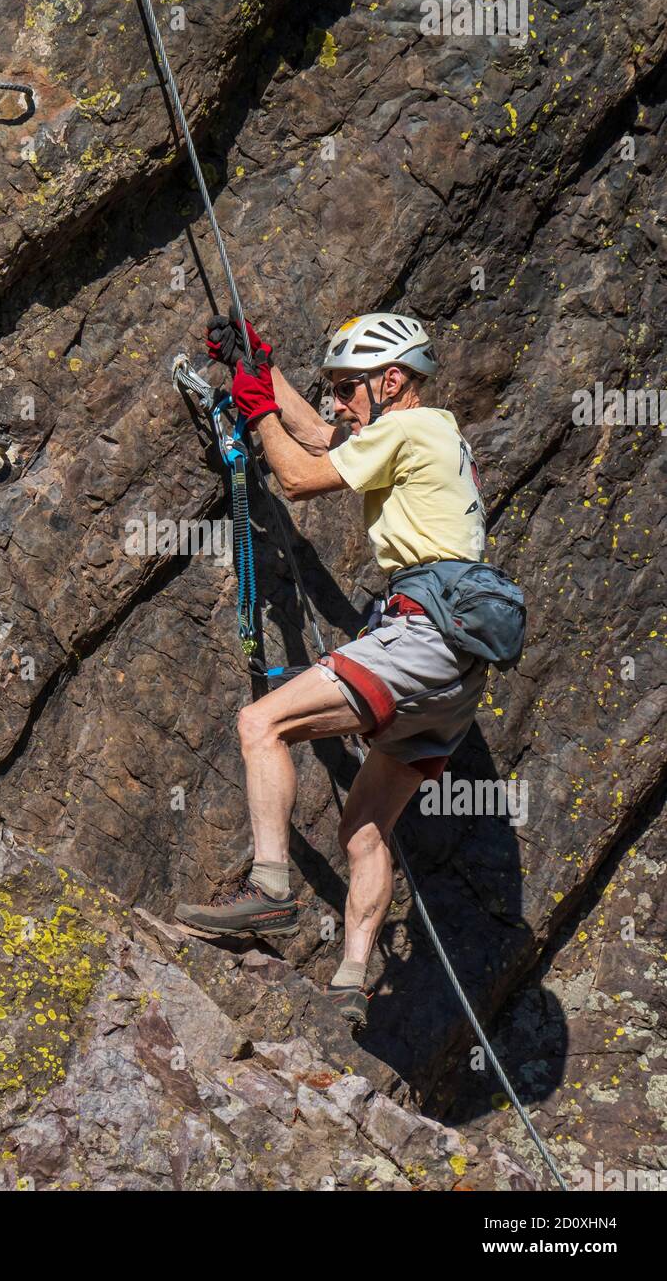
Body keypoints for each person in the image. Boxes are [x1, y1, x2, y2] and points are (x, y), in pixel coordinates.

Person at [174, 312, 489, 1028]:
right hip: (458, 671)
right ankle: (350, 981)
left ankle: (270, 887)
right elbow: (322, 436)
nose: (338, 402)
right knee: (366, 828)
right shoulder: (428, 433)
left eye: (347, 388)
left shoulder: (412, 427)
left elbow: (297, 472)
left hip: (421, 633)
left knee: (262, 721)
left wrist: (253, 409)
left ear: (391, 380)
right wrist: (259, 365)